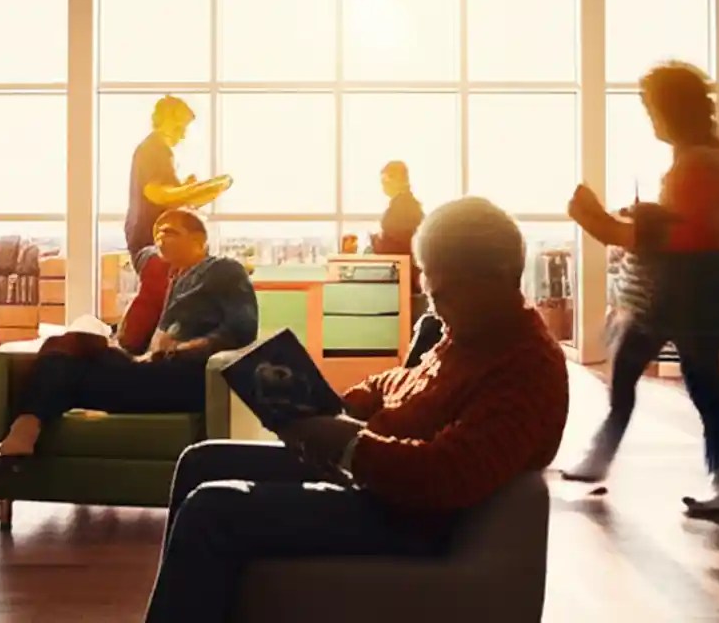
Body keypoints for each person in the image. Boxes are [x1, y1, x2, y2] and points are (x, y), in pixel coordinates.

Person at [143, 197, 569, 623]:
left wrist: (348, 444)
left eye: (443, 294)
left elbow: (447, 473)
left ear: (494, 280)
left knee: (212, 511)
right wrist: (344, 404)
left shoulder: (526, 368)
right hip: (381, 480)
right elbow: (402, 383)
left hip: (410, 513)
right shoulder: (471, 332)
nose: (436, 307)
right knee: (202, 462)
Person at [563, 61, 719, 513]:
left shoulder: (700, 161)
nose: (651, 118)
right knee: (643, 368)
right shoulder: (700, 156)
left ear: (675, 110)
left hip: (688, 290)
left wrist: (605, 224)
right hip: (680, 289)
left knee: (701, 382)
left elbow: (690, 235)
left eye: (653, 108)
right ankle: (604, 456)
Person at [0, 208, 258, 487]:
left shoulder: (224, 270)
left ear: (199, 240)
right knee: (63, 360)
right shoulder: (174, 278)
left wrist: (185, 349)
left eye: (171, 232)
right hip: (149, 370)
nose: (161, 238)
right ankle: (18, 441)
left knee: (68, 351)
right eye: (158, 232)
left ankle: (13, 446)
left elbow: (242, 329)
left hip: (182, 378)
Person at [125, 95, 232, 265]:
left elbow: (170, 198)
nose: (182, 136)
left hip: (155, 240)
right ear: (167, 120)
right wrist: (195, 190)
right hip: (154, 241)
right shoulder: (154, 150)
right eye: (179, 128)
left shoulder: (158, 150)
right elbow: (158, 195)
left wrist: (189, 190)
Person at [369, 160, 424, 256]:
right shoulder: (411, 205)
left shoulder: (402, 208)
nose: (383, 185)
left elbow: (394, 245)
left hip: (401, 265)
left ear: (396, 179)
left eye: (384, 180)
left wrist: (375, 241)